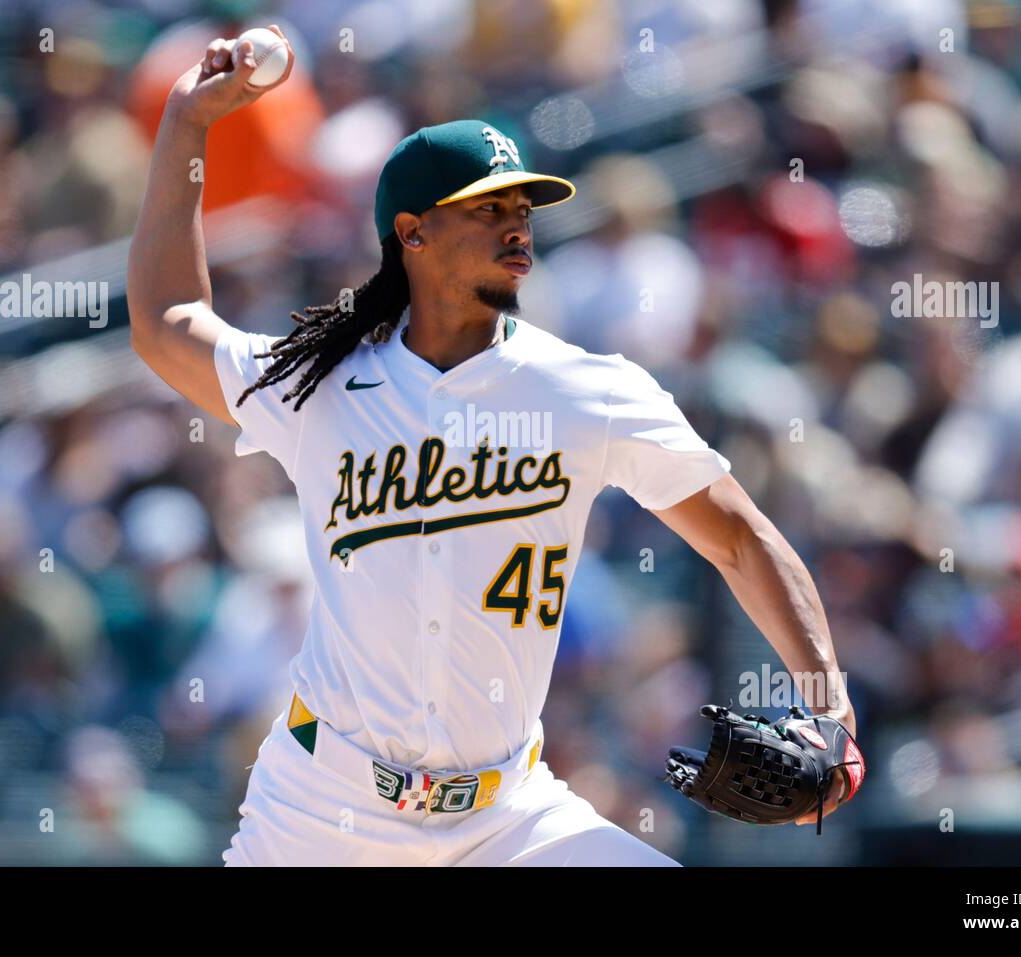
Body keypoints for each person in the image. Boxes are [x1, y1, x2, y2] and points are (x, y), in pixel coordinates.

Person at [127, 25, 857, 866]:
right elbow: (166, 321)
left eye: (522, 208)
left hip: (507, 813)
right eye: (489, 207)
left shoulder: (588, 390)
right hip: (325, 811)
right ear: (413, 232)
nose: (518, 226)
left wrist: (828, 705)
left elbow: (739, 535)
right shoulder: (321, 381)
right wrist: (187, 124)